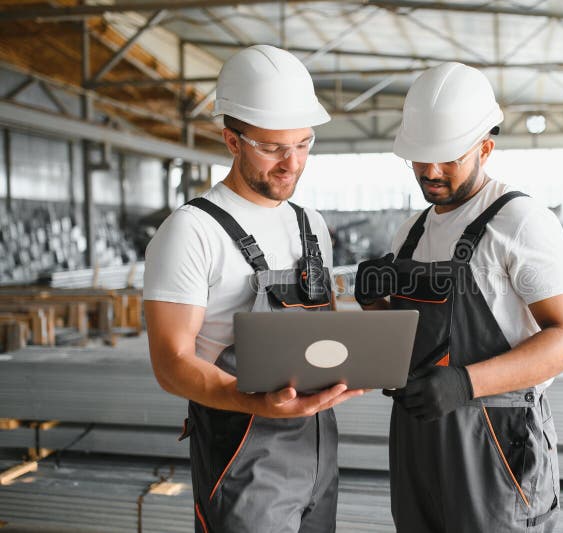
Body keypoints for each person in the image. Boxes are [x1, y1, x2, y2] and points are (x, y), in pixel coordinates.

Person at [355, 62, 563, 532]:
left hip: (496, 444)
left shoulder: (520, 222)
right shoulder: (411, 232)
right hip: (418, 439)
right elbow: (403, 342)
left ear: (486, 148)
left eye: (448, 158)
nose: (431, 172)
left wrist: (464, 384)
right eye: (420, 158)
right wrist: (373, 305)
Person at [144, 45, 364, 533]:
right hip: (243, 451)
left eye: (303, 144)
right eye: (272, 147)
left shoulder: (312, 226)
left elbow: (320, 332)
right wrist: (255, 402)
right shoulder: (192, 230)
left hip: (319, 448)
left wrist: (360, 357)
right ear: (232, 140)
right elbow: (170, 362)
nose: (291, 164)